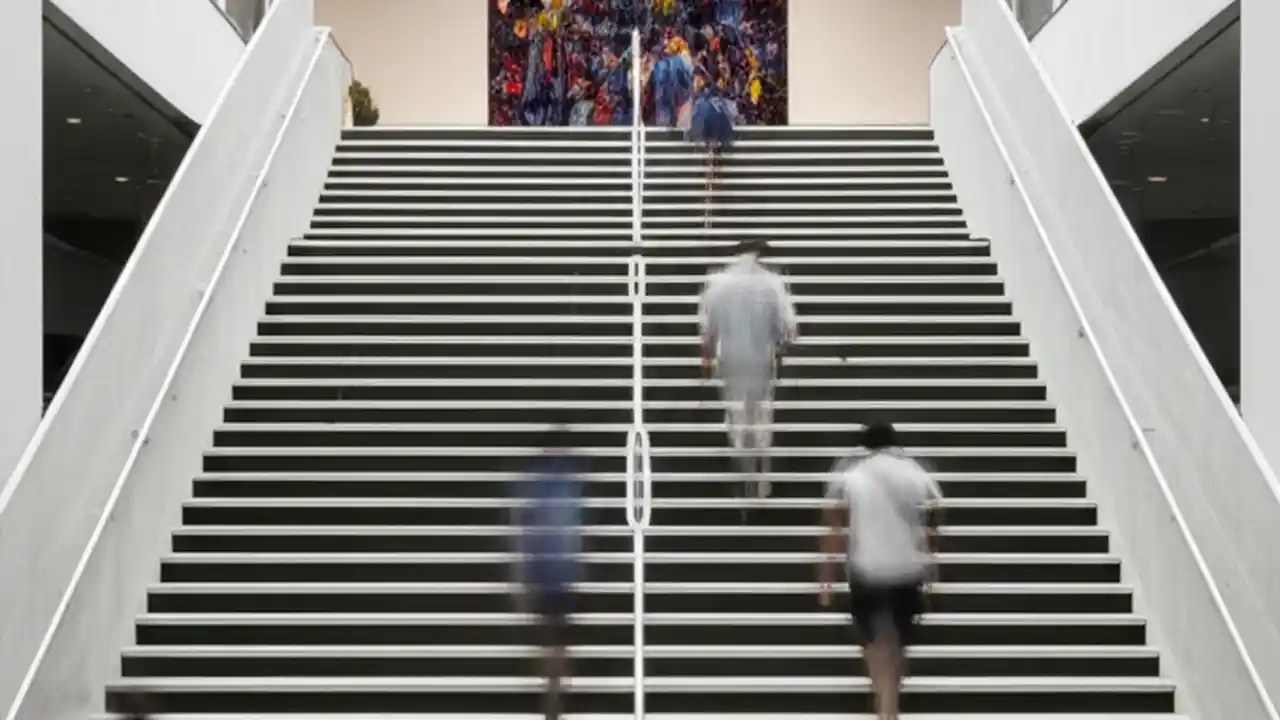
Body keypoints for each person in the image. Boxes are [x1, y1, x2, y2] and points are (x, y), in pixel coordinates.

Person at [818, 422, 943, 720]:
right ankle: (890, 702)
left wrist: (827, 574)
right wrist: (933, 563)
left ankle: (883, 702)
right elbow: (934, 515)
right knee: (897, 641)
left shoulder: (852, 473)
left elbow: (835, 526)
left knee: (875, 641)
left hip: (867, 567)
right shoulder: (914, 470)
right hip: (908, 567)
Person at [699, 238, 798, 500]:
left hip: (730, 361)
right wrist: (781, 347)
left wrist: (706, 361)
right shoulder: (772, 283)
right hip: (761, 363)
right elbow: (789, 329)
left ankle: (740, 482)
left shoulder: (717, 283)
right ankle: (761, 488)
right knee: (761, 421)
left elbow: (707, 331)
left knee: (736, 419)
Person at [512, 425, 584, 720]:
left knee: (551, 638)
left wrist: (521, 574)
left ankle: (552, 696)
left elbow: (525, 529)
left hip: (546, 569)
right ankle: (556, 696)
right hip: (559, 570)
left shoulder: (537, 482)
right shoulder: (568, 481)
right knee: (556, 639)